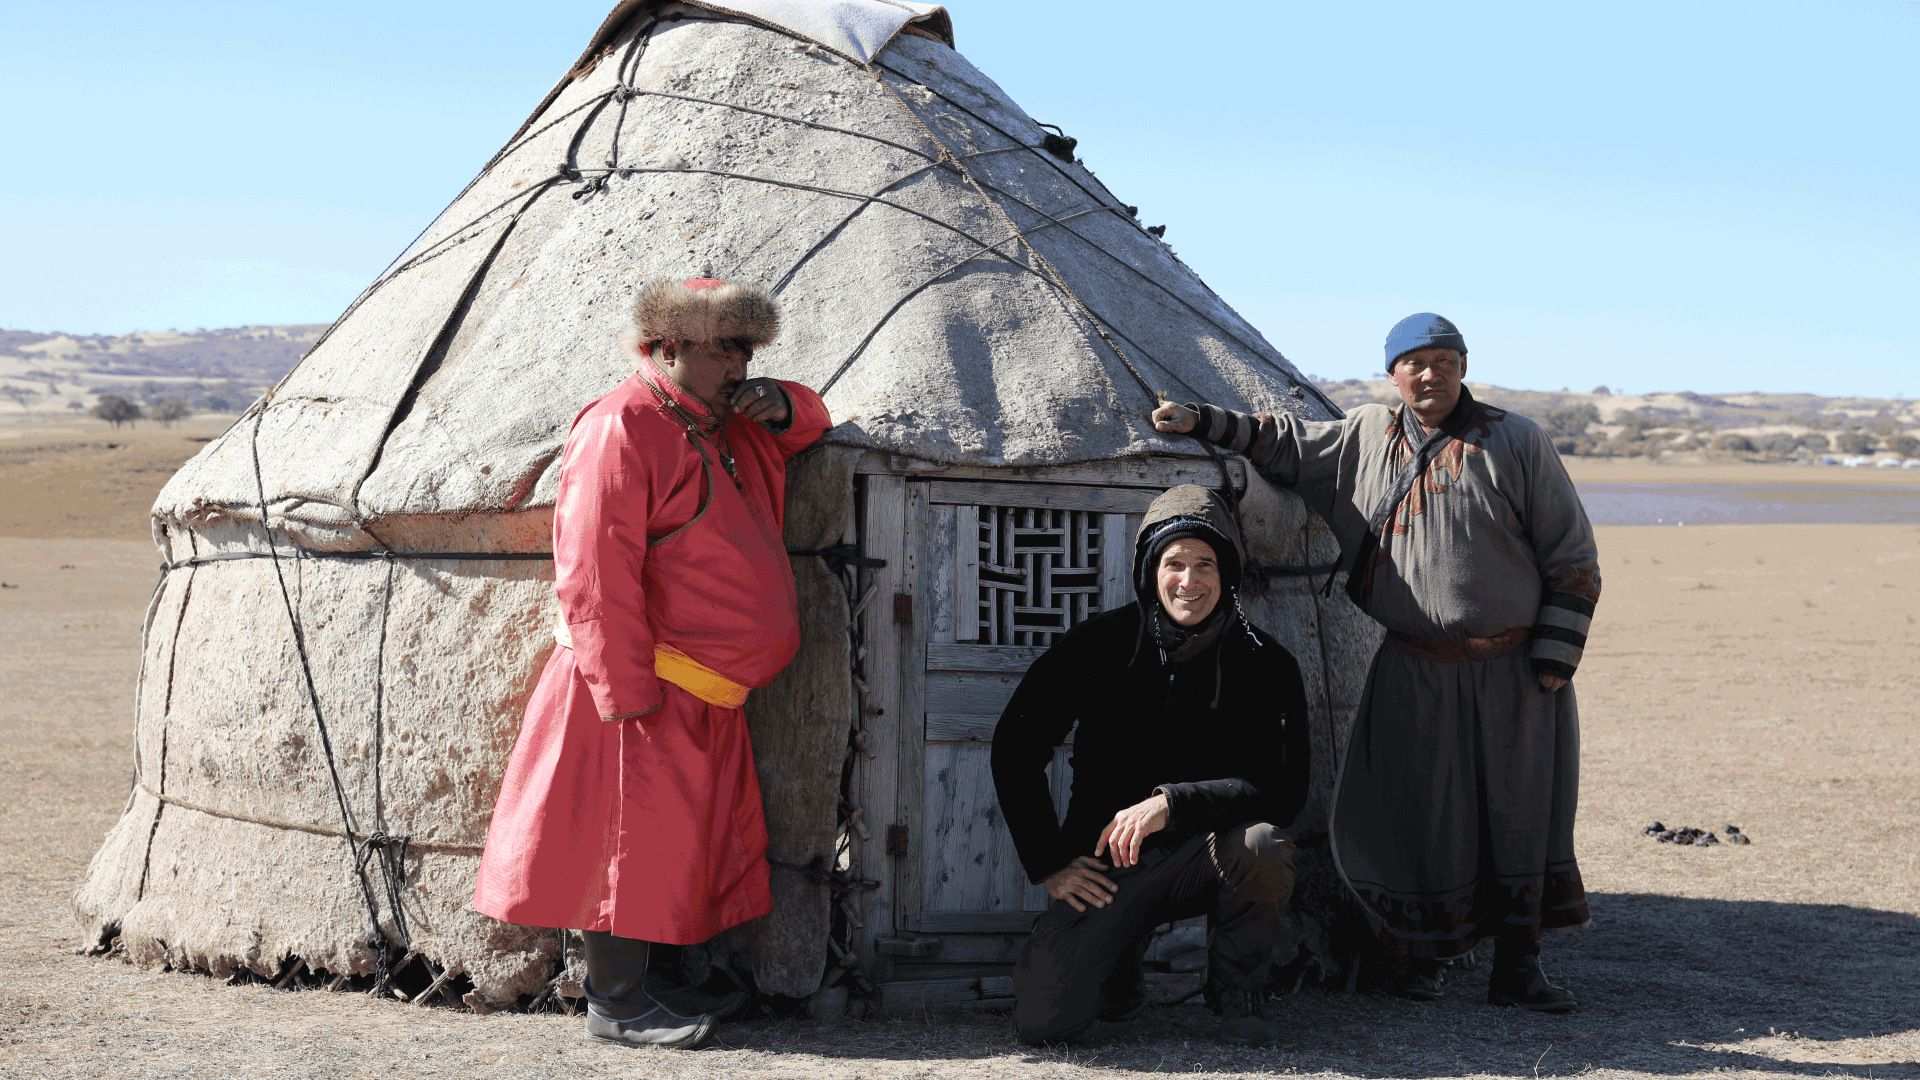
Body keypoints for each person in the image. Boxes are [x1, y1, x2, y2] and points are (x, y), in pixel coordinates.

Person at [1150, 314, 1598, 1012]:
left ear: (1463, 365)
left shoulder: (1516, 440)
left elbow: (1573, 556)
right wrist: (1198, 421)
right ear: (1392, 374)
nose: (1430, 374)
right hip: (1414, 666)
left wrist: (1553, 657)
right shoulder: (1364, 436)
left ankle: (1520, 967)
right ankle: (1419, 956)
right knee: (1414, 810)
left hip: (1515, 671)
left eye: (1443, 361)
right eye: (1414, 363)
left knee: (1520, 815)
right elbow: (1283, 443)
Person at [473, 271, 831, 1049]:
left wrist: (786, 401)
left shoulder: (719, 420)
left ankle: (664, 983)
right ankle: (619, 1002)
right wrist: (623, 687)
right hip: (643, 684)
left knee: (679, 846)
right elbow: (593, 570)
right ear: (668, 345)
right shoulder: (621, 426)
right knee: (626, 846)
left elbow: (808, 426)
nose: (739, 365)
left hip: (704, 688)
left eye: (746, 348)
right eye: (724, 349)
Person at [991, 485, 1311, 1047]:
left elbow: (1285, 790)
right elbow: (1016, 746)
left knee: (1264, 846)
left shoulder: (1267, 663)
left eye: (1205, 564)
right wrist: (1050, 861)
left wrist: (1174, 802)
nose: (1190, 582)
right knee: (1045, 1022)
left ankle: (1237, 992)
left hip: (1211, 853)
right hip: (1111, 859)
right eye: (1175, 563)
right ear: (1150, 569)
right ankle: (1119, 971)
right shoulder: (1100, 646)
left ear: (1227, 572)